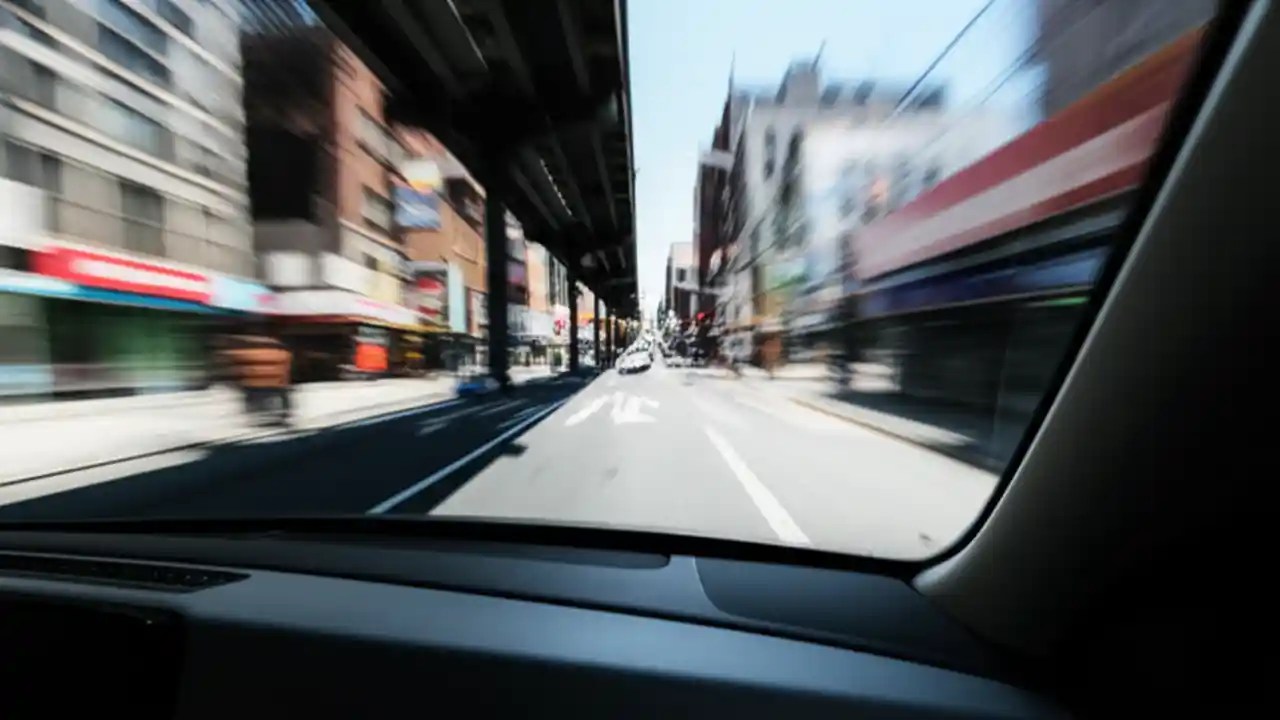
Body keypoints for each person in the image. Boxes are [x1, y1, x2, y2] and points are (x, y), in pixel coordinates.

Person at [218, 332, 294, 425]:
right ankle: (281, 414)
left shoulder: (247, 353)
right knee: (280, 397)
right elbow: (285, 368)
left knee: (254, 398)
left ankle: (258, 414)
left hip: (254, 383)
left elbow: (231, 359)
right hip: (275, 382)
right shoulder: (283, 353)